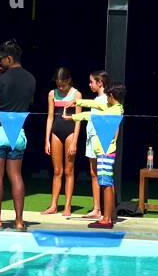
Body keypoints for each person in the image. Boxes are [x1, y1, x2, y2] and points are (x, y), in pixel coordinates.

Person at [0, 39, 37, 231]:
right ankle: (20, 222)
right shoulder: (31, 79)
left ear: (9, 58)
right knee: (16, 175)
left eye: (1, 60)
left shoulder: (0, 78)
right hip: (17, 131)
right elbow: (27, 101)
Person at [63, 82, 126, 229]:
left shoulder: (115, 111)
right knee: (106, 184)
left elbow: (92, 114)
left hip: (105, 152)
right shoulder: (112, 107)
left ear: (111, 96)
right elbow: (94, 105)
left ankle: (107, 219)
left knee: (106, 184)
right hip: (103, 151)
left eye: (107, 97)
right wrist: (77, 102)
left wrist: (73, 117)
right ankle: (107, 217)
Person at [43, 67, 82, 216]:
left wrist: (75, 142)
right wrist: (47, 139)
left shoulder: (76, 94)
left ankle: (67, 206)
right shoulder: (52, 94)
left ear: (69, 81)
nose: (60, 87)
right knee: (57, 171)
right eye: (58, 84)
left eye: (63, 84)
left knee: (68, 171)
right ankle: (53, 205)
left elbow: (78, 120)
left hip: (70, 133)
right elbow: (50, 117)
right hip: (56, 133)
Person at [82, 70, 110, 220]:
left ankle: (108, 209)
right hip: (91, 137)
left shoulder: (107, 100)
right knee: (94, 173)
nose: (90, 84)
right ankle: (97, 208)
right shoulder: (96, 99)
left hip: (101, 139)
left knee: (104, 173)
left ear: (100, 83)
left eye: (92, 81)